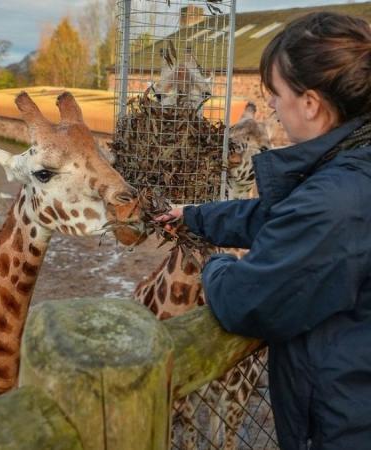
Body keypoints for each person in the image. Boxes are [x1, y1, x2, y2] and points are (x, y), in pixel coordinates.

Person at [156, 12, 371, 450]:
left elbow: (247, 302)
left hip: (345, 422)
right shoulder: (351, 164)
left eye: (276, 93)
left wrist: (213, 264)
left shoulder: (336, 198)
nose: (271, 104)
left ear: (310, 102)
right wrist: (196, 216)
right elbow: (285, 217)